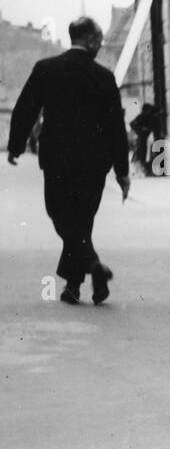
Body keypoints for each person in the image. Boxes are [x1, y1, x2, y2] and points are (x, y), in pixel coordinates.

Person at [6, 16, 130, 305]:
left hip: (56, 162)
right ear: (89, 40)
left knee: (63, 219)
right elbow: (116, 129)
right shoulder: (104, 77)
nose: (100, 46)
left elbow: (25, 108)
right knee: (81, 222)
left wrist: (16, 145)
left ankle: (85, 276)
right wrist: (122, 171)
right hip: (94, 166)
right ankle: (80, 281)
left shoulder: (46, 70)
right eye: (99, 41)